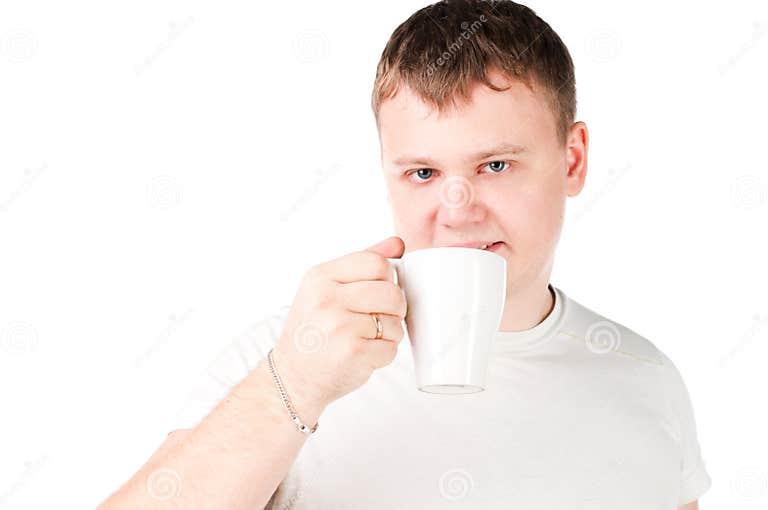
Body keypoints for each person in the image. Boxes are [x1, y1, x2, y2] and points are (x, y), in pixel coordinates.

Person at [98, 1, 712, 508]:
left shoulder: (645, 381)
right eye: (422, 171)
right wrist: (295, 384)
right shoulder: (285, 363)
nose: (457, 206)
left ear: (571, 160)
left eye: (495, 164)